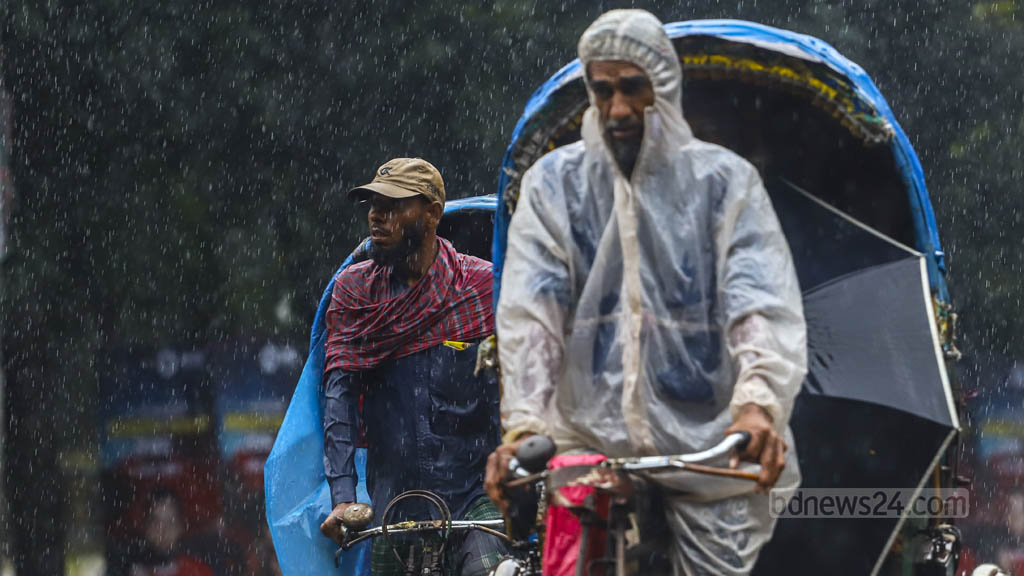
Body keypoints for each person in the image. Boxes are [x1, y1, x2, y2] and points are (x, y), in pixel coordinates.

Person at [484, 10, 807, 576]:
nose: (619, 109)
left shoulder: (723, 184)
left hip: (708, 450)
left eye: (634, 88)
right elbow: (532, 315)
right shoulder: (555, 188)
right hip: (585, 449)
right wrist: (526, 427)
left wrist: (758, 405)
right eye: (603, 90)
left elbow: (757, 304)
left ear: (664, 88)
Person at [317, 158, 507, 576]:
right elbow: (340, 400)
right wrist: (343, 496)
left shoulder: (481, 288)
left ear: (434, 213)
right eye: (372, 204)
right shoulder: (354, 294)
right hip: (395, 507)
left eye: (393, 204)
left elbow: (517, 384)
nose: (376, 216)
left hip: (477, 493)